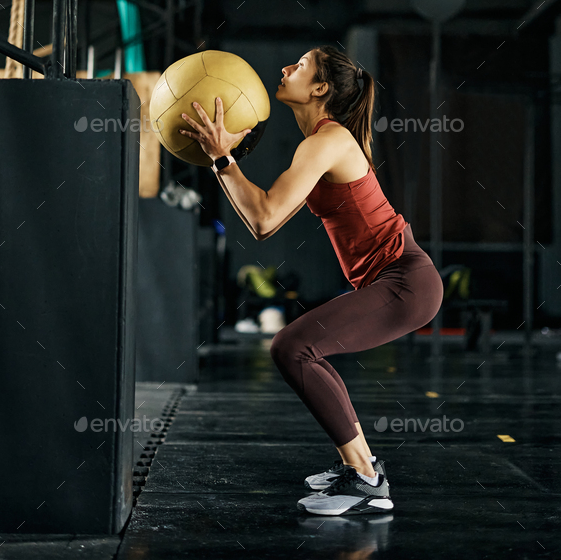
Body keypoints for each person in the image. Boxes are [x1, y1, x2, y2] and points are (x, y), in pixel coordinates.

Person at [178, 45, 444, 516]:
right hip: (395, 281)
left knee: (291, 347)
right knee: (303, 349)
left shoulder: (328, 140)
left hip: (406, 282)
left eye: (299, 66)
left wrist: (223, 158)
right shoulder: (321, 141)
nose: (285, 68)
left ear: (320, 88)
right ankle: (364, 468)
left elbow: (262, 216)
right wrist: (224, 158)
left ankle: (366, 479)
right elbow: (265, 222)